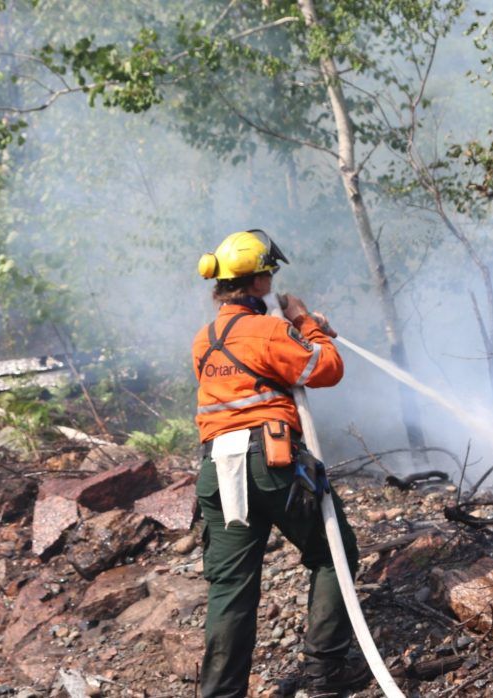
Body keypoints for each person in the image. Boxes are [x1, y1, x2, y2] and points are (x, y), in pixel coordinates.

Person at [192, 229, 368, 698]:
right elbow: (327, 368)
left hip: (217, 471)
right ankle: (324, 671)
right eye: (268, 274)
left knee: (230, 588)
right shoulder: (270, 330)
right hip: (270, 463)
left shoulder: (204, 340)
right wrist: (305, 322)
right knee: (334, 554)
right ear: (255, 282)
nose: (272, 281)